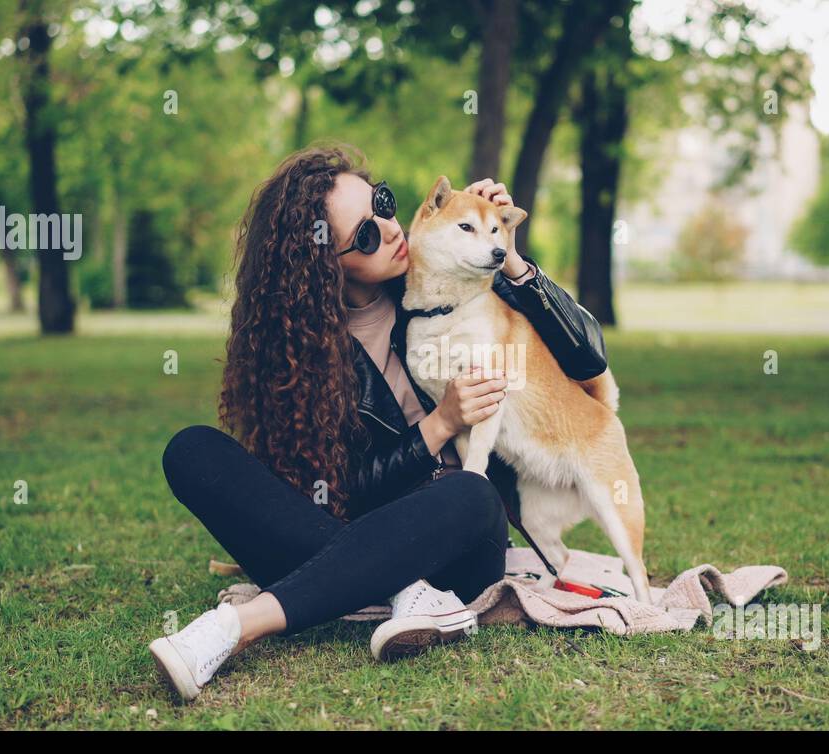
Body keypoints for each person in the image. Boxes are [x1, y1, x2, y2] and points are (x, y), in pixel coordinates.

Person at [150, 144, 608, 701]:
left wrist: (507, 255)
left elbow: (588, 359)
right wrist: (438, 426)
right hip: (352, 530)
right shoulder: (298, 353)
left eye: (383, 205)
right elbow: (330, 499)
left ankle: (237, 629)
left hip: (455, 542)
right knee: (192, 450)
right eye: (365, 235)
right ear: (321, 262)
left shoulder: (452, 277)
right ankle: (396, 591)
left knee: (470, 492)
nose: (391, 229)